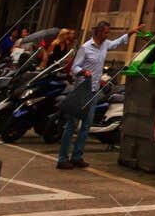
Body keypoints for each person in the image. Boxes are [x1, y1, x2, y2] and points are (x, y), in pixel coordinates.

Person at [56, 22, 131, 170]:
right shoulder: (86, 48)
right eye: (105, 33)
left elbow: (116, 43)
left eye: (108, 33)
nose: (107, 35)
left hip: (94, 91)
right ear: (98, 33)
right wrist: (83, 72)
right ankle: (62, 158)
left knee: (86, 126)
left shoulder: (104, 45)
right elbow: (74, 67)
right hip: (81, 91)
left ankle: (77, 156)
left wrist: (130, 33)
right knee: (72, 125)